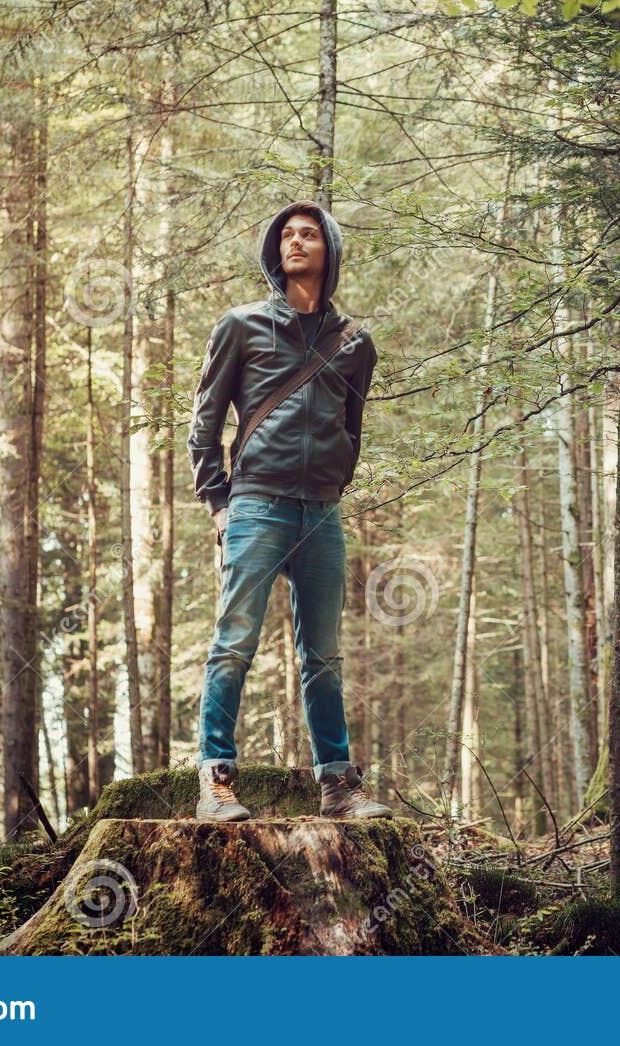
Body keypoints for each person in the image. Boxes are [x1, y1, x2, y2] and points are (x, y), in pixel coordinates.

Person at [187, 199, 392, 822]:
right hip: (255, 507)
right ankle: (215, 781)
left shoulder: (355, 343)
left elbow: (352, 430)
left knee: (323, 655)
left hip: (322, 515)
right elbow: (204, 422)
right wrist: (220, 504)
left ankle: (337, 785)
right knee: (234, 643)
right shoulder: (241, 325)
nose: (294, 242)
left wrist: (330, 482)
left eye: (308, 235)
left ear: (329, 251)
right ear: (276, 253)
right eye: (286, 236)